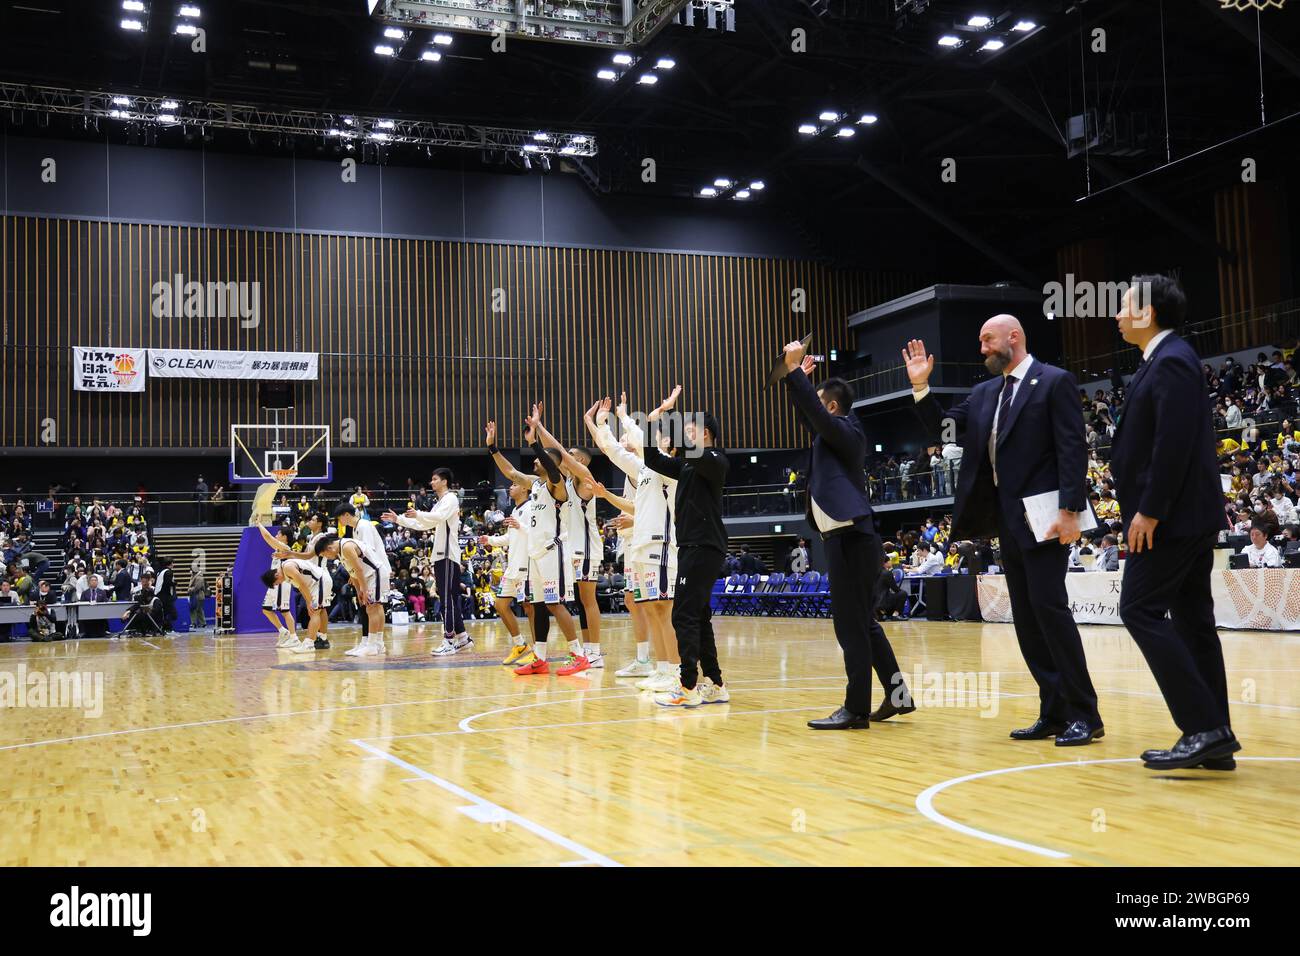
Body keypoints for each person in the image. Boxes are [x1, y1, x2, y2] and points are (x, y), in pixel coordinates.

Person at [904, 318, 1102, 746]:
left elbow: (1072, 447)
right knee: (1028, 620)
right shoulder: (984, 393)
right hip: (1007, 523)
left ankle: (1085, 713)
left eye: (987, 340)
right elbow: (945, 429)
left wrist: (1070, 509)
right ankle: (1053, 711)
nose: (982, 349)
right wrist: (922, 388)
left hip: (1047, 517)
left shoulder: (1054, 381)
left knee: (1050, 610)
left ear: (1014, 337)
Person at [1111, 275, 1240, 771]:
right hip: (1181, 517)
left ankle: (1203, 726)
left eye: (1123, 307)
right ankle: (1216, 738)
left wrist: (1151, 509)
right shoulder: (1163, 361)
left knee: (1139, 610)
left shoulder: (1172, 361)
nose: (1116, 315)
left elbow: (1174, 443)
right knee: (1193, 623)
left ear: (1148, 313)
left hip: (1171, 519)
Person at [781, 342, 912, 729]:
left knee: (850, 626)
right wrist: (798, 385)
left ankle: (855, 709)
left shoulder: (848, 431)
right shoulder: (830, 435)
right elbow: (811, 417)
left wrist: (791, 373)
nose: (816, 411)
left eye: (820, 403)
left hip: (852, 537)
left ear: (833, 407)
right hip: (843, 538)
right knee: (864, 623)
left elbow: (817, 418)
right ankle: (898, 696)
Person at [640, 386, 731, 707]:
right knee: (699, 615)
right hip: (693, 546)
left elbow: (686, 447)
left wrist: (669, 416)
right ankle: (716, 684)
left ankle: (688, 686)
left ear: (705, 434)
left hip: (704, 545)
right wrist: (655, 420)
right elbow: (652, 458)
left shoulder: (716, 461)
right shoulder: (688, 466)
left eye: (691, 429)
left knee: (683, 614)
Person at [485, 417, 586, 675]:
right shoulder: (536, 484)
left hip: (554, 551)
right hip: (536, 555)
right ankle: (539, 658)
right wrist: (493, 447)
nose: (534, 461)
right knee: (539, 606)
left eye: (539, 459)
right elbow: (511, 473)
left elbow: (552, 469)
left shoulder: (557, 484)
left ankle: (579, 654)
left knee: (555, 604)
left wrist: (535, 444)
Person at [383, 467, 470, 657]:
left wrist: (419, 513)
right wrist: (399, 519)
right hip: (441, 555)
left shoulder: (450, 499)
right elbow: (425, 523)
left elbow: (435, 518)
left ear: (444, 481)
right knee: (449, 597)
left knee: (447, 599)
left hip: (448, 554)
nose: (432, 482)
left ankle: (448, 640)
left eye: (435, 479)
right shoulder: (440, 502)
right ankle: (463, 637)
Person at [333, 502, 392, 657]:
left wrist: (359, 575)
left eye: (340, 518)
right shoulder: (356, 528)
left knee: (373, 606)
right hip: (371, 571)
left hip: (376, 570)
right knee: (371, 607)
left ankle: (374, 643)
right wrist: (355, 576)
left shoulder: (364, 526)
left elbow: (368, 551)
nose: (340, 522)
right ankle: (372, 643)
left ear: (346, 515)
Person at [79, 574, 112, 639]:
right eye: (92, 580)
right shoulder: (85, 593)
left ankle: (103, 631)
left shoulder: (102, 592)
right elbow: (81, 604)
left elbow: (105, 603)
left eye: (95, 580)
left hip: (100, 614)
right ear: (89, 583)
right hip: (88, 614)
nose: (94, 582)